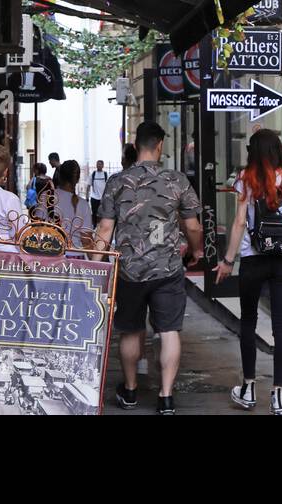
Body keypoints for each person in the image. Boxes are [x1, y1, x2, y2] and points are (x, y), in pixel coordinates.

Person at [94, 122, 201, 415]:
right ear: (160, 145)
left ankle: (129, 391)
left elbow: (105, 229)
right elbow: (192, 225)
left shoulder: (117, 182)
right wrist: (197, 250)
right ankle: (166, 397)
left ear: (136, 144)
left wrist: (95, 267)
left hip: (129, 270)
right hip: (167, 269)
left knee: (130, 330)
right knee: (169, 331)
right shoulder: (177, 181)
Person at [214, 128, 282, 416]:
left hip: (253, 259)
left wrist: (227, 260)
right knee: (280, 327)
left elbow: (239, 223)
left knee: (248, 322)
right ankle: (278, 395)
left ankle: (248, 389)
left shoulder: (246, 179)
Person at [37, 159, 94, 249]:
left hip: (49, 254)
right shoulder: (83, 205)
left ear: (59, 176)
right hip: (75, 257)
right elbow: (86, 241)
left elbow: (38, 227)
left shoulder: (46, 196)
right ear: (77, 179)